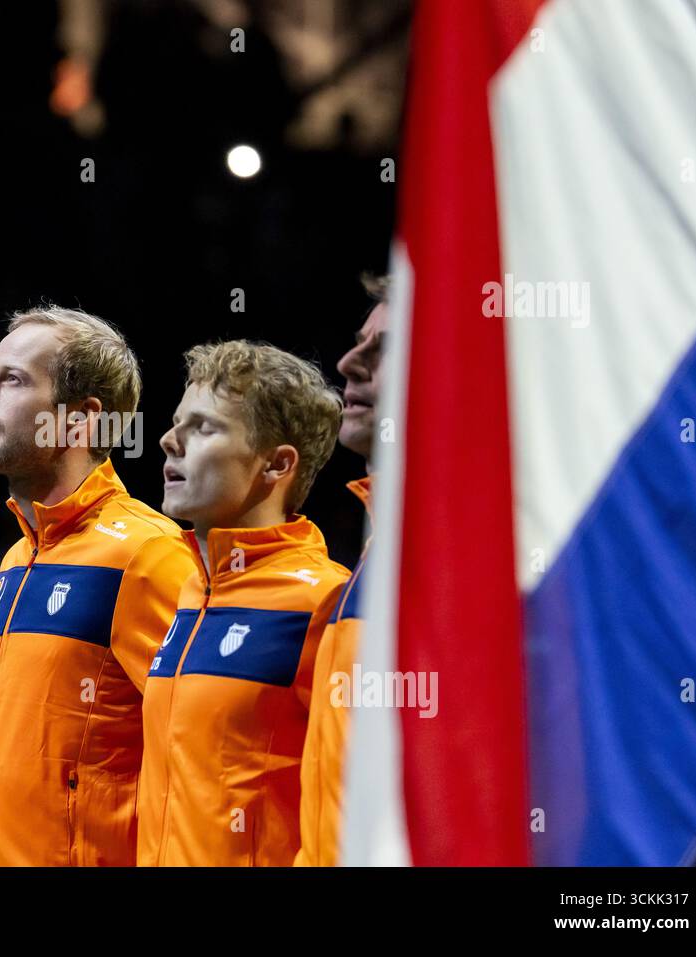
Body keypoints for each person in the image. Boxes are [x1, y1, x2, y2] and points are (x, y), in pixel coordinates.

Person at [0, 305, 194, 866]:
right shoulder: (17, 559)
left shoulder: (148, 553)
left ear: (79, 419)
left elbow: (199, 754)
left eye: (12, 380)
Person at [137, 340, 349, 865]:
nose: (168, 441)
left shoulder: (326, 602)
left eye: (203, 428)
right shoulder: (191, 591)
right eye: (177, 423)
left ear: (277, 464)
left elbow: (351, 807)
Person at [297, 274, 388, 866]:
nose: (347, 363)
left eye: (385, 348)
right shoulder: (376, 551)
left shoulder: (488, 555)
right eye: (359, 343)